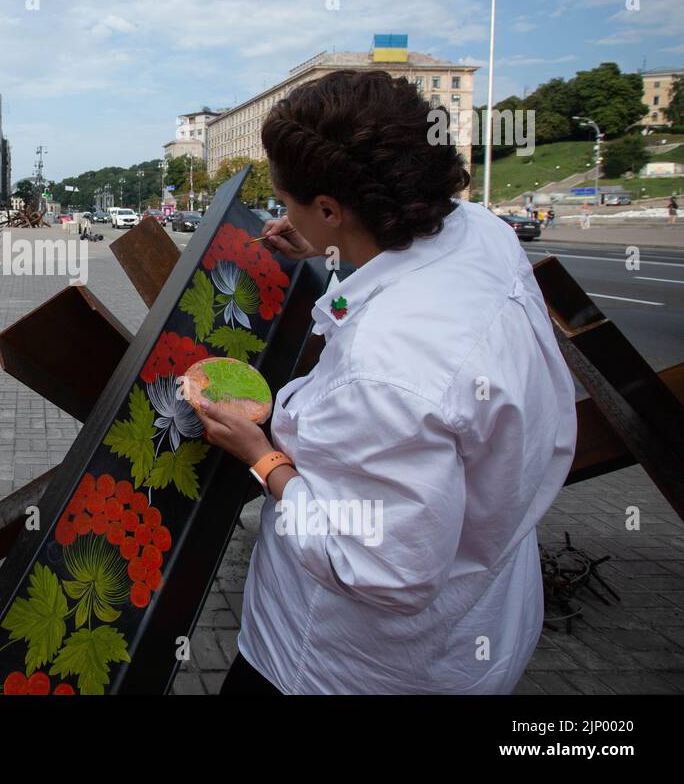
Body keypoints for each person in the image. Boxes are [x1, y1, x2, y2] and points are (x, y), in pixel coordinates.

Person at [196, 70, 576, 695]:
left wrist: (262, 460)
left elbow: (380, 568)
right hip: (482, 619)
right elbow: (407, 273)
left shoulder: (390, 371)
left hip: (349, 667)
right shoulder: (479, 230)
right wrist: (331, 245)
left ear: (328, 207)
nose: (281, 214)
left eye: (290, 202)